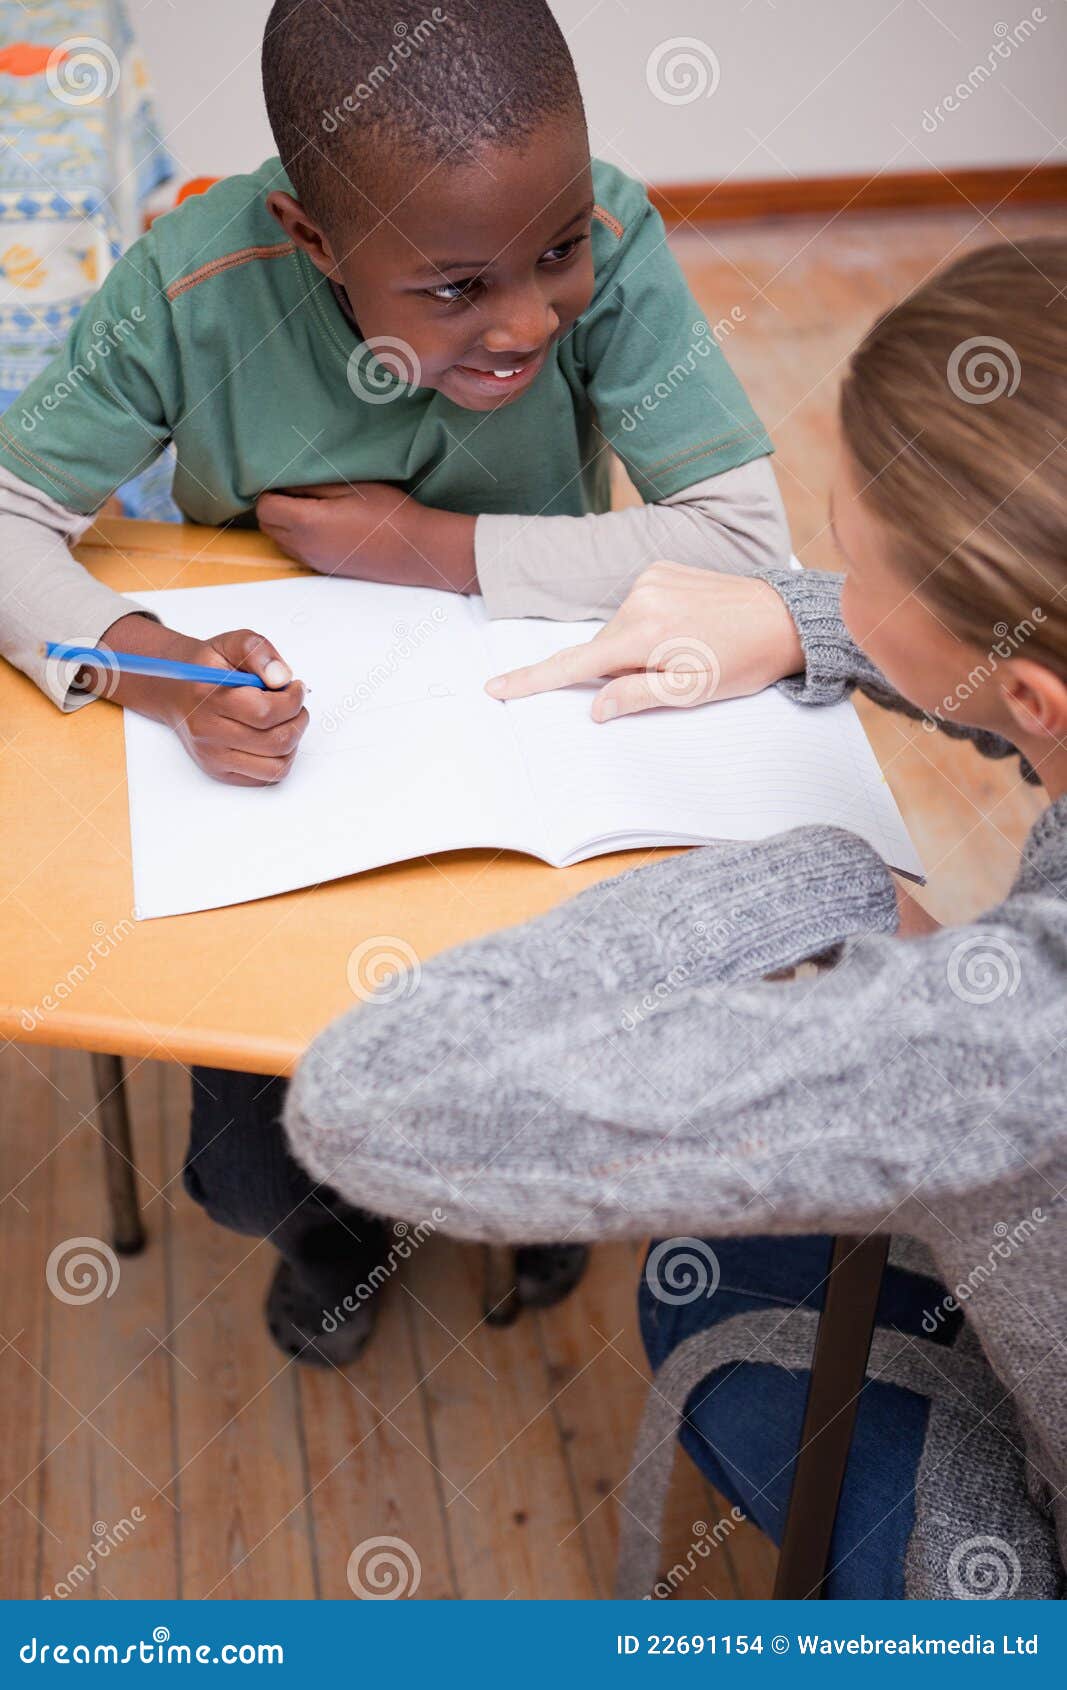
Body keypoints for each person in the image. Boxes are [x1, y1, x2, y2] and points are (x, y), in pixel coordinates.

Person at [0, 0, 787, 1365]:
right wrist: (154, 668)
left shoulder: (611, 228)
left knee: (545, 1076)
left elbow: (747, 542)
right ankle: (334, 1232)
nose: (528, 319)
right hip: (278, 775)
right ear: (312, 241)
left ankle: (523, 1200)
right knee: (260, 1168)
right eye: (456, 287)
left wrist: (430, 549)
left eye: (555, 255)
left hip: (540, 732)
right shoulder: (192, 286)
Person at [283, 237, 1067, 1596]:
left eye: (850, 563)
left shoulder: (1005, 1043)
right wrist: (803, 619)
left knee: (704, 1269)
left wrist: (814, 874)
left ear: (1031, 695)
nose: (829, 583)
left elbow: (369, 1099)